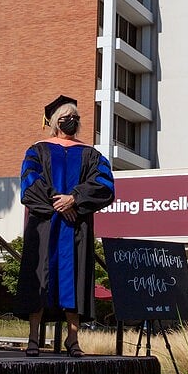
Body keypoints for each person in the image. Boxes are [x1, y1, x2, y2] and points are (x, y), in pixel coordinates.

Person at [15, 95, 115, 357]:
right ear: (54, 121)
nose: (71, 121)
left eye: (75, 118)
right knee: (41, 278)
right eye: (65, 117)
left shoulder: (91, 154)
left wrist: (75, 199)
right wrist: (57, 202)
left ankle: (73, 339)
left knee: (75, 280)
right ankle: (34, 338)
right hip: (45, 226)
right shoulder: (37, 150)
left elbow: (105, 185)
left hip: (76, 228)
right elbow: (29, 182)